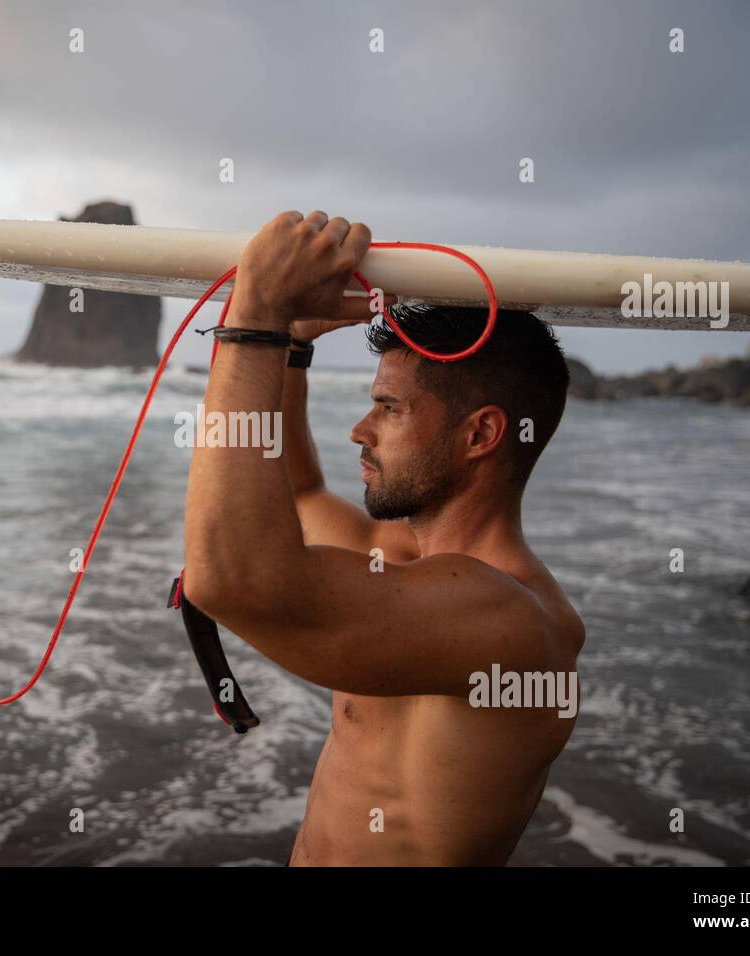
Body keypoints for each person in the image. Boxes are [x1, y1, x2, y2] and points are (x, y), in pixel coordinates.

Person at [183, 210, 585, 865]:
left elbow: (233, 581)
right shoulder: (399, 561)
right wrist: (292, 346)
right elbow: (298, 493)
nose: (359, 430)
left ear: (481, 435)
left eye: (389, 408)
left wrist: (255, 315)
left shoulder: (509, 622)